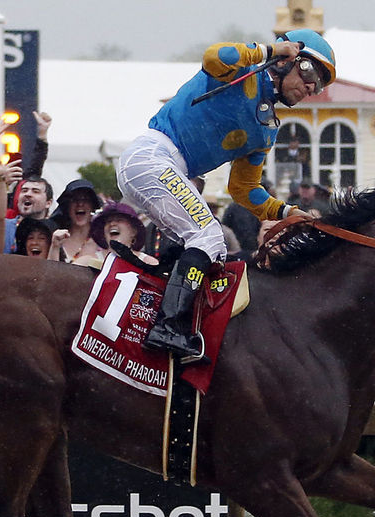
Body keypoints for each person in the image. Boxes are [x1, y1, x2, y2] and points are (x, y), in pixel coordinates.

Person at [116, 29, 336, 358]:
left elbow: (244, 190)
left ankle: (163, 316)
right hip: (153, 156)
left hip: (165, 168)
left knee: (210, 248)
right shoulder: (241, 69)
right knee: (208, 236)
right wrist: (270, 50)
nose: (312, 89)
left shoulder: (266, 129)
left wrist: (285, 212)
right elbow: (213, 57)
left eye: (319, 86)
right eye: (311, 76)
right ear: (291, 61)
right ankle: (167, 327)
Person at [87, 200, 157, 266]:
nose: (112, 223)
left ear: (133, 231)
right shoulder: (87, 262)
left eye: (119, 220)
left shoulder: (149, 263)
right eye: (108, 221)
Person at [50, 179, 104, 263]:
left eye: (85, 199)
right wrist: (55, 246)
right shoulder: (57, 238)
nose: (80, 204)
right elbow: (49, 272)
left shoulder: (103, 239)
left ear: (92, 206)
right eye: (74, 200)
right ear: (67, 206)